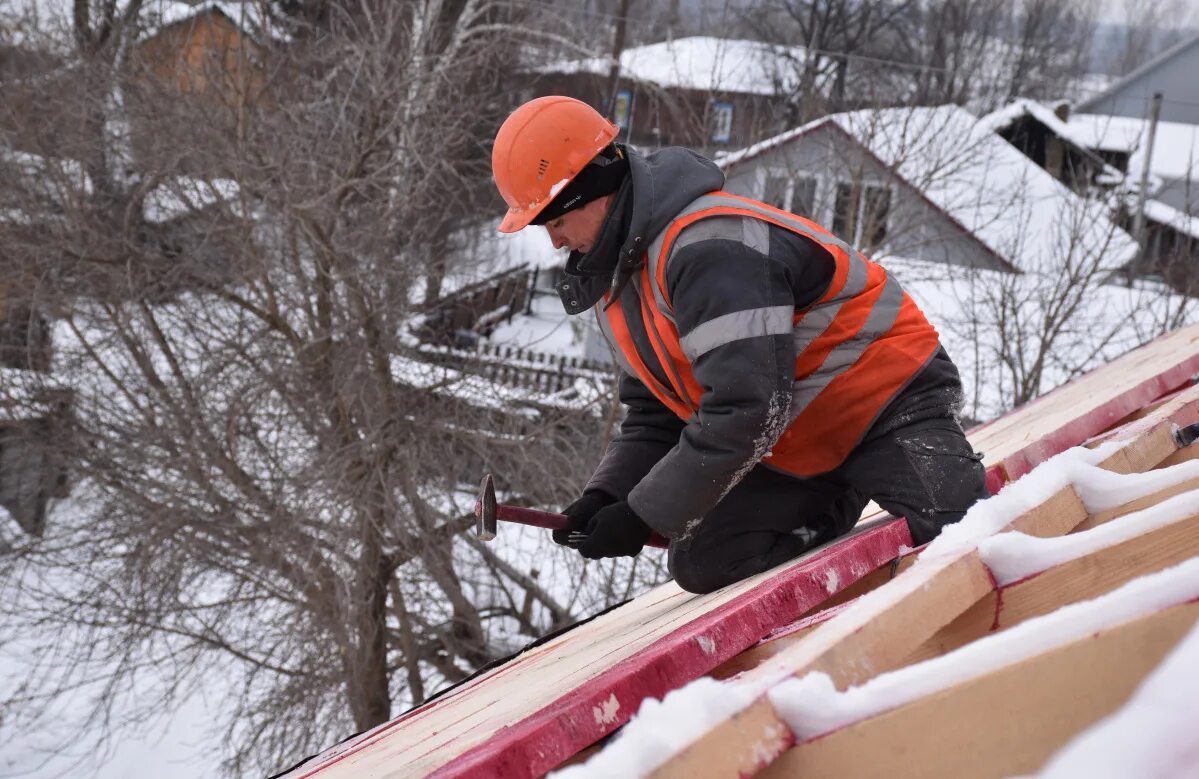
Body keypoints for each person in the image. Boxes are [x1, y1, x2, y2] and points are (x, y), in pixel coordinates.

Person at [490, 95, 989, 595]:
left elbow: (746, 408)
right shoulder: (620, 285)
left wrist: (643, 513)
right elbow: (656, 411)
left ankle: (871, 474)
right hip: (795, 437)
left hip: (884, 400)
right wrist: (608, 494)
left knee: (965, 532)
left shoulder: (708, 248)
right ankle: (841, 489)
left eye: (556, 222)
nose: (555, 243)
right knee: (705, 561)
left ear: (595, 190)